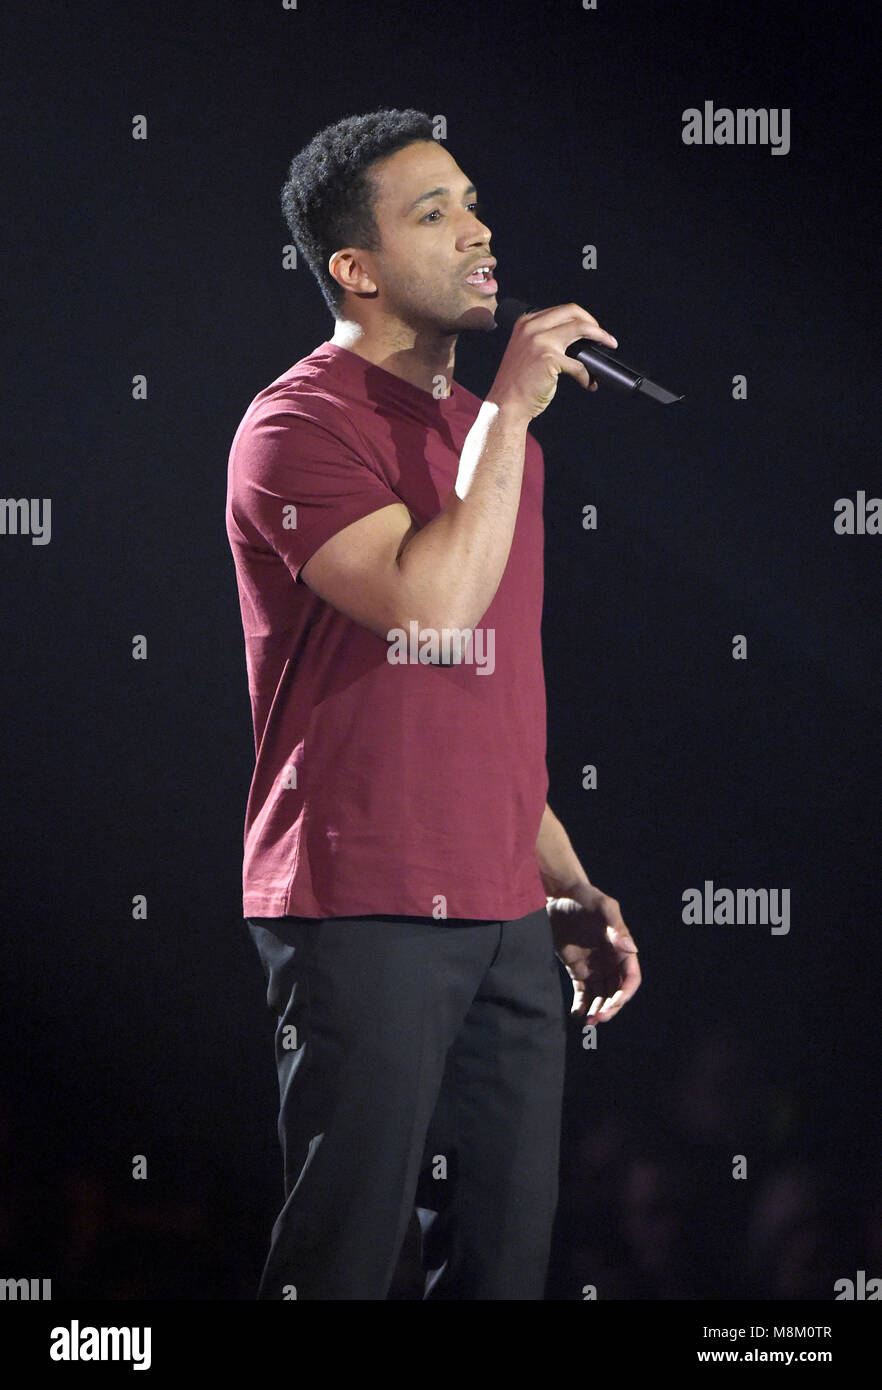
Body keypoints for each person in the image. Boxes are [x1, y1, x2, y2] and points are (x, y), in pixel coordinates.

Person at [225, 107, 641, 1301]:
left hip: (505, 911)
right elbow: (429, 615)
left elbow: (481, 696)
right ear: (353, 269)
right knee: (351, 1258)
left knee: (504, 1263)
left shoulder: (491, 439)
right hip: (364, 898)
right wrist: (510, 412)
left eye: (470, 201)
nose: (479, 230)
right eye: (434, 213)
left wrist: (559, 875)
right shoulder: (297, 425)